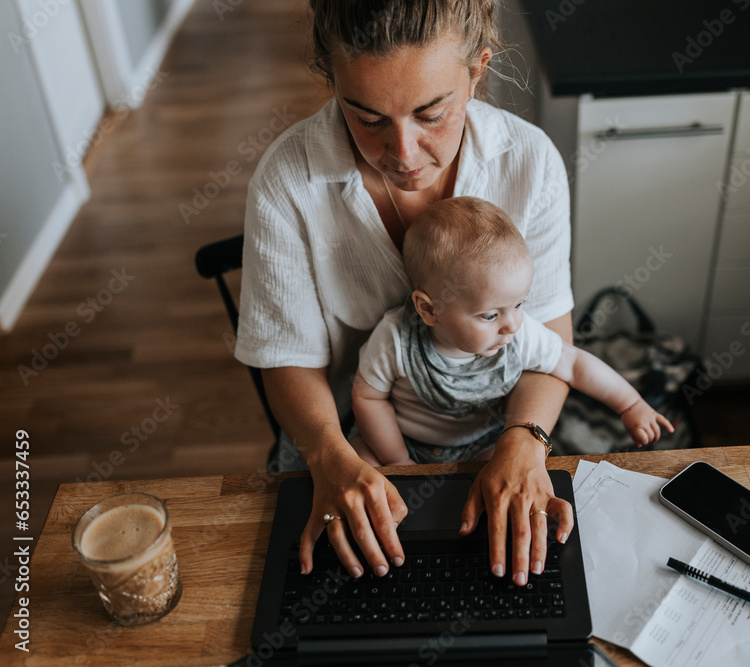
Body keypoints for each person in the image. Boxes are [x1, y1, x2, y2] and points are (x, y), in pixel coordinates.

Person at [234, 0, 576, 588]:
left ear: (477, 73)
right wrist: (328, 455)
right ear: (333, 82)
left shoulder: (530, 163)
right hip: (342, 439)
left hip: (498, 428)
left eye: (431, 114)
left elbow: (548, 335)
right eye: (366, 118)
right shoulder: (287, 180)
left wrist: (525, 441)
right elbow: (286, 358)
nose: (404, 153)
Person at [353, 197, 674, 467]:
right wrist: (398, 462)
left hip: (486, 445)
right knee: (358, 456)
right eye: (490, 315)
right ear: (428, 309)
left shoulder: (517, 334)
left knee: (512, 473)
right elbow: (368, 397)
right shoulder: (396, 339)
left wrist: (630, 404)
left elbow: (574, 363)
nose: (512, 324)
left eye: (519, 304)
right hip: (402, 442)